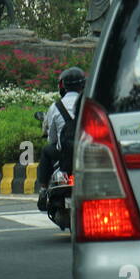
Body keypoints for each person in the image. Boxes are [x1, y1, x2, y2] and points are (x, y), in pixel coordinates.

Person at [36, 67, 86, 211]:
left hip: (63, 155)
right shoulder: (89, 104)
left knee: (46, 150)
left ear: (62, 85)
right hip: (87, 152)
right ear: (83, 85)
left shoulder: (55, 107)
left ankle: (43, 190)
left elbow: (51, 139)